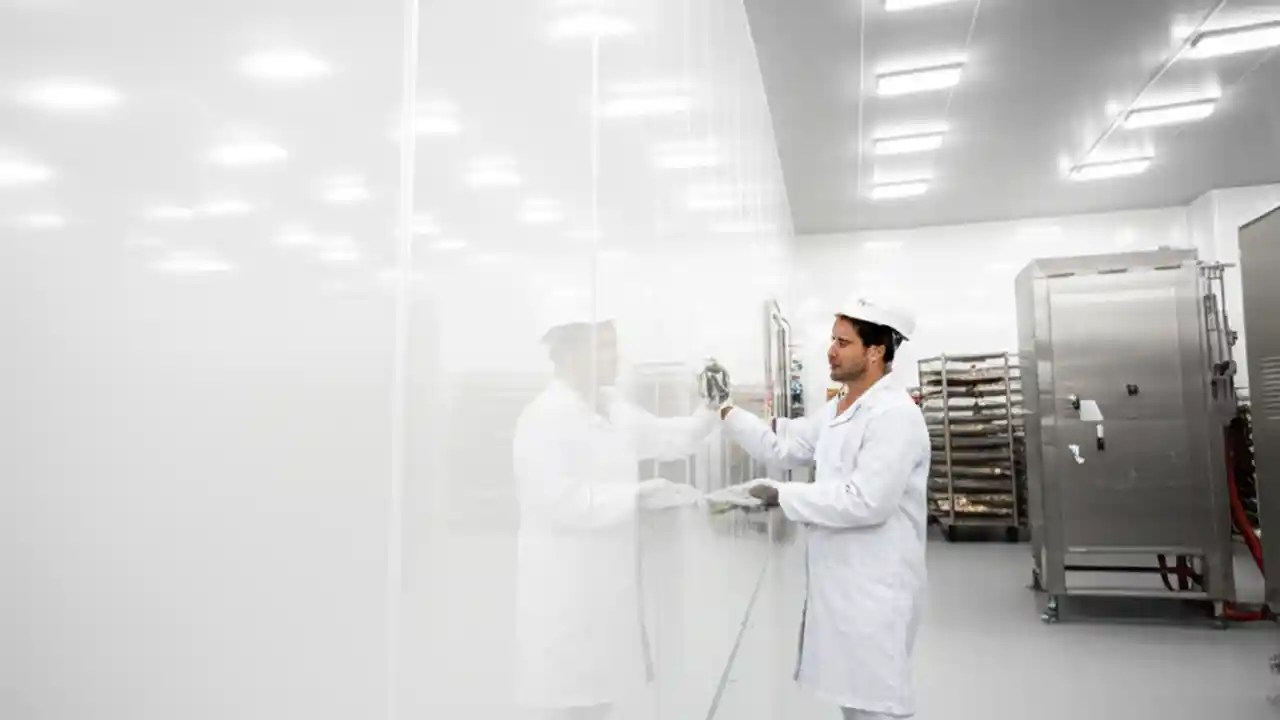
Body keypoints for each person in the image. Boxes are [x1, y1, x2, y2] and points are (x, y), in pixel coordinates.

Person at [718, 294, 930, 720]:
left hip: (876, 585)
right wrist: (725, 410)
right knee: (856, 702)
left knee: (876, 705)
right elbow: (783, 446)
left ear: (876, 352)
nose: (831, 350)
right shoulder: (840, 407)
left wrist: (783, 495)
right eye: (832, 339)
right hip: (844, 584)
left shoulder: (895, 415)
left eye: (843, 342)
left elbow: (867, 501)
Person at [511, 315, 718, 720]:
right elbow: (556, 501)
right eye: (603, 347)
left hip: (606, 585)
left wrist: (712, 406)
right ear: (570, 355)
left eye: (613, 345)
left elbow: (671, 438)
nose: (615, 356)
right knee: (570, 700)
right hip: (564, 590)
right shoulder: (544, 417)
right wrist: (636, 497)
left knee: (598, 699)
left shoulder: (613, 409)